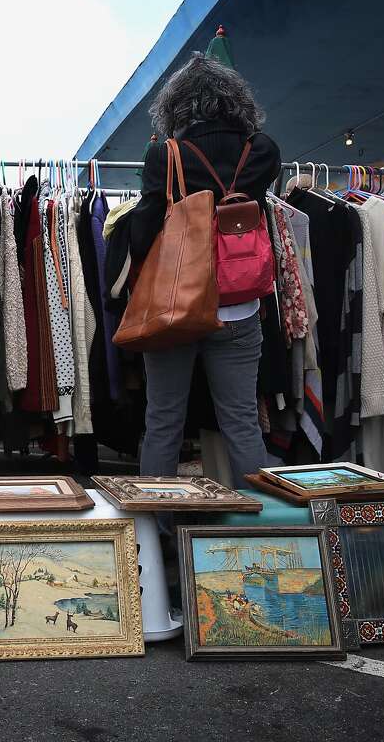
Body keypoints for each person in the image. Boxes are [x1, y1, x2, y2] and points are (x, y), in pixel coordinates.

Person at [128, 53, 281, 482]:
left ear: (176, 106)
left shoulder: (167, 155)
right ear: (235, 101)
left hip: (177, 307)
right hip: (240, 304)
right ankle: (263, 529)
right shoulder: (262, 150)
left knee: (163, 422)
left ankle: (153, 535)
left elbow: (143, 231)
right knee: (242, 422)